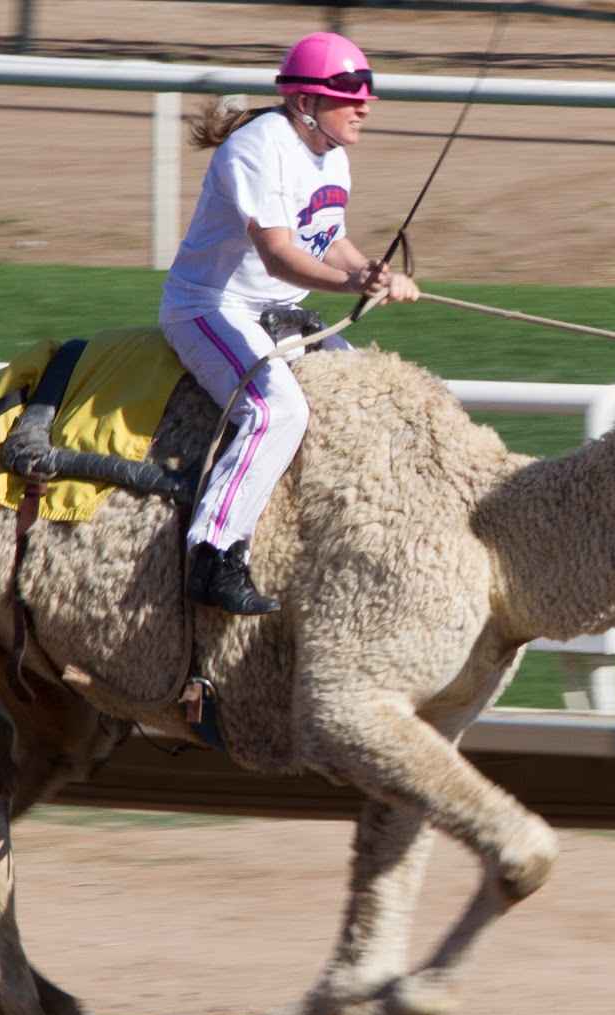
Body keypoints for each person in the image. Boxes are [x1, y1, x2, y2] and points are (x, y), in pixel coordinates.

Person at [161, 31, 419, 616]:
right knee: (278, 409)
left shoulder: (333, 156)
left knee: (366, 391)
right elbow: (279, 254)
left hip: (277, 313)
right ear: (306, 102)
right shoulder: (256, 148)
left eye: (366, 95)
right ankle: (214, 553)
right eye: (348, 95)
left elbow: (327, 241)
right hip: (209, 308)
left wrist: (369, 270)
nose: (364, 106)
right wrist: (353, 284)